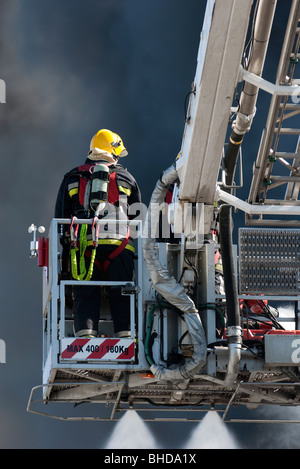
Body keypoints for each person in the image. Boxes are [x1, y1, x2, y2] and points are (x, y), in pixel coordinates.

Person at [55, 128, 142, 338]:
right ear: (112, 152)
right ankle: (125, 336)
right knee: (122, 292)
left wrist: (68, 249)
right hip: (120, 249)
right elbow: (137, 215)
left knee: (85, 293)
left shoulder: (72, 177)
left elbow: (60, 217)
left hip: (83, 248)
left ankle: (85, 336)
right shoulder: (126, 178)